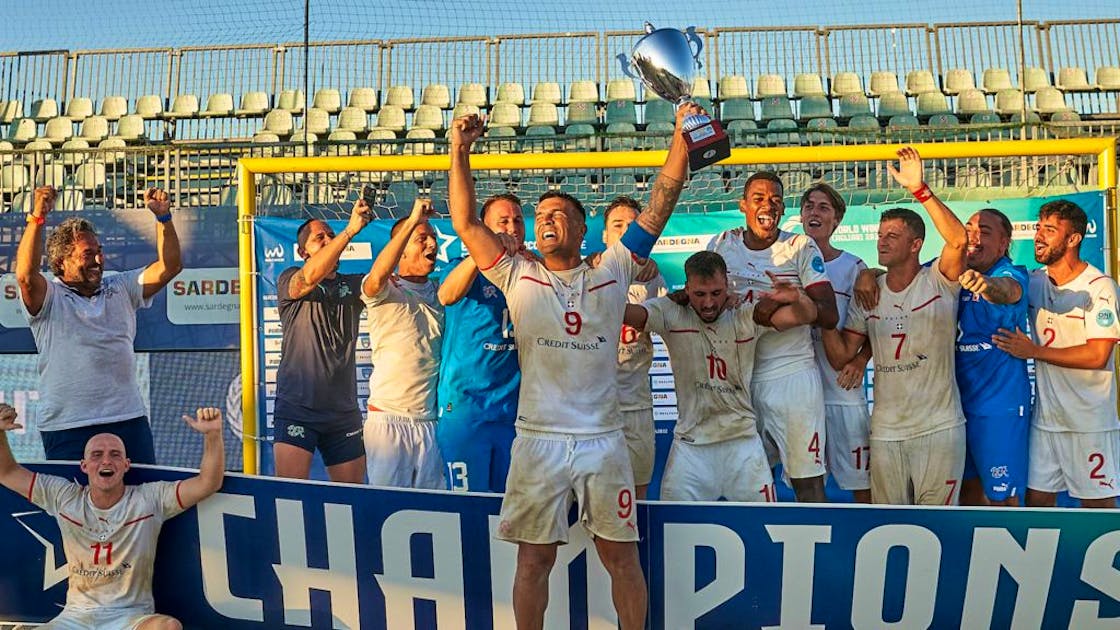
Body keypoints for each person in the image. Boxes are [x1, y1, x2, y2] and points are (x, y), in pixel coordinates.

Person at [448, 101, 694, 630]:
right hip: (538, 439)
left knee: (621, 557)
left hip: (604, 440)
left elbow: (659, 204)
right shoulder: (516, 275)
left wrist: (680, 136)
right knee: (534, 560)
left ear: (583, 229)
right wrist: (460, 150)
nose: (546, 218)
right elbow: (466, 221)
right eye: (541, 215)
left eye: (560, 213)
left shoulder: (612, 270)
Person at [821, 147, 968, 506]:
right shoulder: (868, 292)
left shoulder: (938, 280)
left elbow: (959, 240)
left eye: (892, 236)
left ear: (916, 244)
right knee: (891, 528)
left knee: (938, 527)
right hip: (886, 431)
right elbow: (841, 357)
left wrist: (921, 190)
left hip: (938, 427)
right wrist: (819, 311)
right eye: (880, 234)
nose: (881, 241)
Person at [860, 207, 1032, 506]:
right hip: (952, 407)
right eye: (970, 229)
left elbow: (1008, 290)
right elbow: (903, 270)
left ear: (1005, 243)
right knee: (965, 497)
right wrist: (867, 273)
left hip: (996, 407)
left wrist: (987, 286)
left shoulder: (1010, 273)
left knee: (1001, 499)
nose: (974, 237)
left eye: (985, 232)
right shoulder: (947, 271)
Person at [0, 402, 225, 630]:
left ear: (126, 465)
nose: (106, 461)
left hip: (131, 617)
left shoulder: (149, 499)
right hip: (76, 617)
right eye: (97, 455)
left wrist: (213, 435)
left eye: (115, 455)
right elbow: (6, 472)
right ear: (84, 466)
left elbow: (208, 483)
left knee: (167, 627)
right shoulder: (63, 496)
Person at [623, 251, 817, 502]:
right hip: (691, 448)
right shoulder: (670, 311)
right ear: (686, 288)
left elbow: (807, 315)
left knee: (759, 530)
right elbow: (627, 314)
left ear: (727, 285)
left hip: (743, 445)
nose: (708, 303)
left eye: (716, 293)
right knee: (674, 531)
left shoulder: (746, 314)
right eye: (699, 294)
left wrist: (796, 298)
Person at [15, 186, 182, 464]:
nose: (98, 260)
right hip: (67, 425)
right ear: (61, 262)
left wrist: (164, 219)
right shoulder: (50, 296)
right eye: (87, 254)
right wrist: (37, 218)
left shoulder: (121, 287)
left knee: (140, 502)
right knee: (72, 506)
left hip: (126, 419)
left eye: (99, 251)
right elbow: (25, 276)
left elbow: (170, 266)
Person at [706, 172, 839, 503]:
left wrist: (794, 298)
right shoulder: (722, 244)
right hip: (740, 378)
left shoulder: (800, 246)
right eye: (759, 199)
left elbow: (829, 313)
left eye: (776, 200)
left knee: (807, 483)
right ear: (743, 206)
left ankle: (818, 554)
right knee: (743, 485)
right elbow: (704, 302)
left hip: (791, 378)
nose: (768, 206)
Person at [993, 199, 1120, 509]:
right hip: (1046, 421)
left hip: (1089, 423)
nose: (1039, 235)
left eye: (1050, 230)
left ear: (1073, 239)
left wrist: (1033, 351)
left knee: (1098, 508)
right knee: (1037, 504)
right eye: (1038, 228)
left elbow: (1097, 355)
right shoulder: (1033, 281)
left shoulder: (1100, 287)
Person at [272, 200, 373, 483]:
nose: (329, 240)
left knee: (351, 500)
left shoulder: (352, 285)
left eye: (331, 235)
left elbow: (377, 281)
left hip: (343, 412)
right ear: (303, 252)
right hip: (297, 408)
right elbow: (308, 278)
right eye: (320, 238)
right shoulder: (289, 278)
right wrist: (349, 231)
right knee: (290, 498)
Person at [436, 193, 525, 493]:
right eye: (502, 222)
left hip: (513, 413)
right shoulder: (464, 267)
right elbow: (446, 296)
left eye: (517, 220)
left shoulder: (530, 270)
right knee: (468, 510)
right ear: (483, 228)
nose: (511, 228)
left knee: (509, 512)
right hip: (466, 411)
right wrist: (483, 250)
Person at [361, 197, 445, 489]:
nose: (431, 244)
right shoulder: (386, 289)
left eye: (433, 238)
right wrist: (412, 221)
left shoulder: (443, 291)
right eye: (422, 239)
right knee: (385, 511)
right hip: (388, 421)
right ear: (401, 249)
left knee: (435, 512)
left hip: (431, 423)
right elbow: (376, 277)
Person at [800, 183, 872, 503]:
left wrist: (861, 359)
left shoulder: (855, 268)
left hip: (842, 391)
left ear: (837, 219)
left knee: (863, 483)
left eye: (823, 207)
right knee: (807, 485)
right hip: (799, 394)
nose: (814, 212)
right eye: (809, 206)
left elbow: (878, 327)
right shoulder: (785, 261)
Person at [600, 195, 667, 499]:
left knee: (636, 499)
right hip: (594, 410)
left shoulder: (654, 279)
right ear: (604, 235)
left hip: (637, 407)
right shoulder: (585, 274)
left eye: (633, 225)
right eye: (618, 226)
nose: (627, 232)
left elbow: (677, 326)